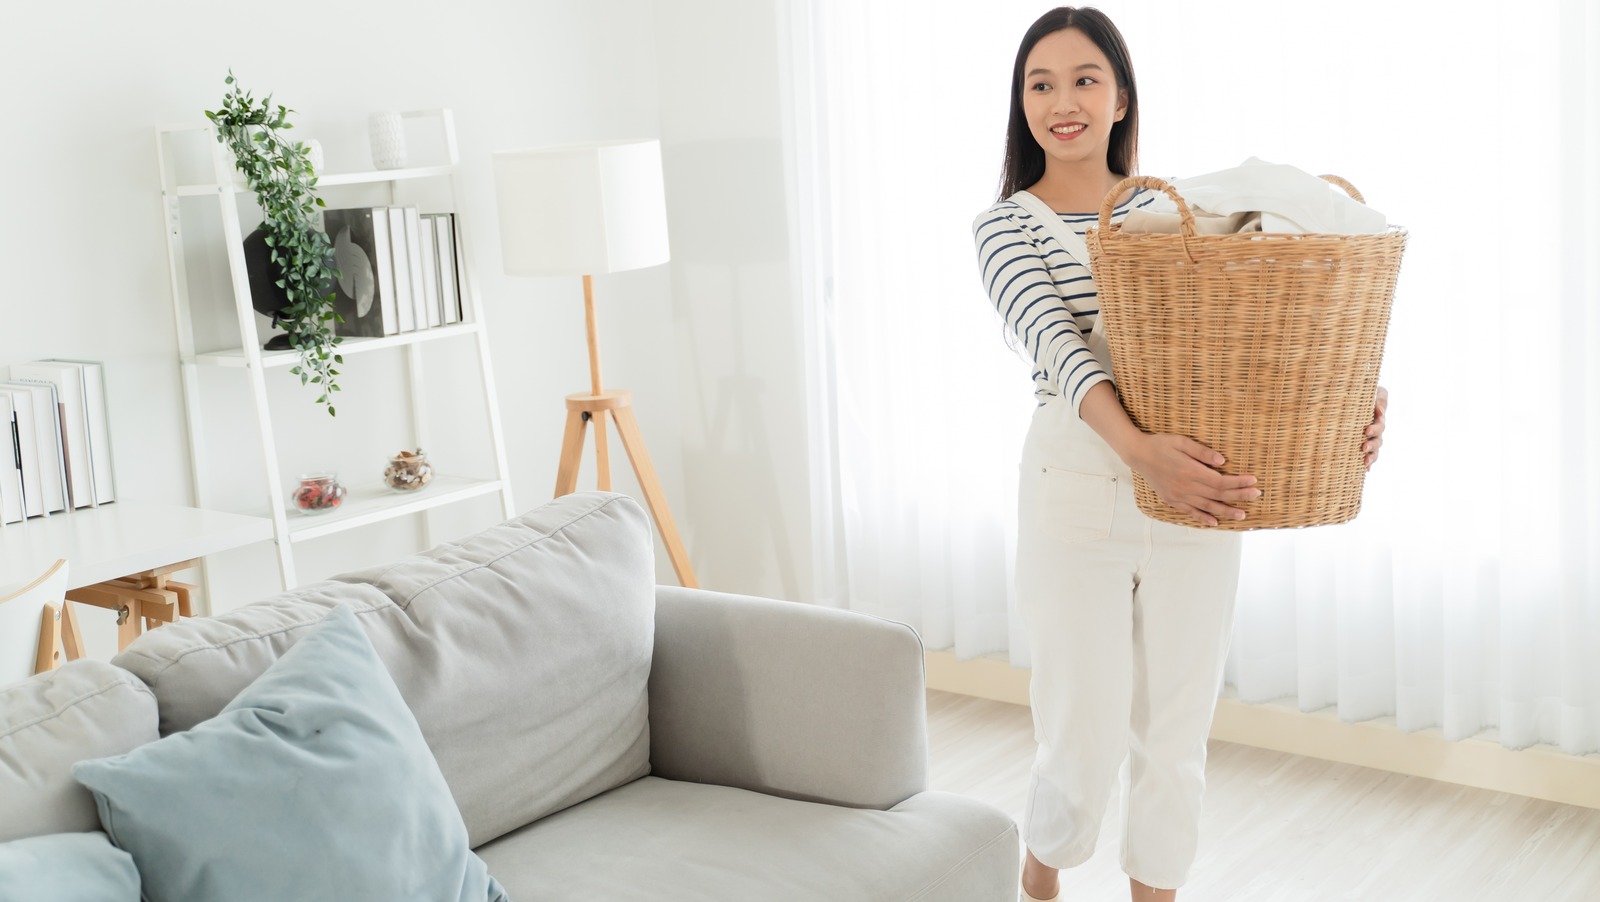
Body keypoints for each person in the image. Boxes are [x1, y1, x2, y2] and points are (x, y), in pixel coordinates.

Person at [970, 8, 1388, 901]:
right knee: (1078, 731)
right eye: (1040, 83)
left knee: (1174, 734)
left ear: (1121, 96)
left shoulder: (1182, 212)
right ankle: (1038, 885)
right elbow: (1060, 349)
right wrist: (1139, 453)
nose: (1063, 101)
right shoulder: (1007, 226)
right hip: (1081, 481)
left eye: (1085, 79)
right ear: (1022, 103)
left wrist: (1354, 403)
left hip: (1198, 484)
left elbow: (1266, 331)